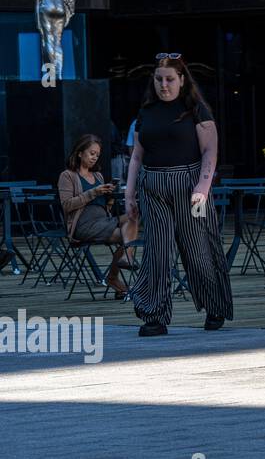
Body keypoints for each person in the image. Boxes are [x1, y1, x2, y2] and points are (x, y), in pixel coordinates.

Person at [124, 54, 234, 336]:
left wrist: (202, 187)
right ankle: (154, 315)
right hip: (153, 186)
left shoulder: (195, 109)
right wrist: (129, 194)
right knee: (156, 252)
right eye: (159, 79)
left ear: (182, 80)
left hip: (189, 184)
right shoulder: (146, 111)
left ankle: (215, 306)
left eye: (170, 79)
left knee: (198, 249)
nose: (164, 85)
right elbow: (136, 156)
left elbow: (210, 150)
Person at [58, 134, 140, 297]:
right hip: (83, 224)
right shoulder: (67, 176)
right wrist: (93, 193)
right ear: (80, 153)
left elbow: (104, 206)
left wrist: (108, 197)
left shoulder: (98, 176)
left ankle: (126, 258)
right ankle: (114, 275)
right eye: (91, 153)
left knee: (133, 215)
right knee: (125, 236)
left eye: (97, 154)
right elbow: (67, 205)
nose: (94, 157)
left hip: (103, 220)